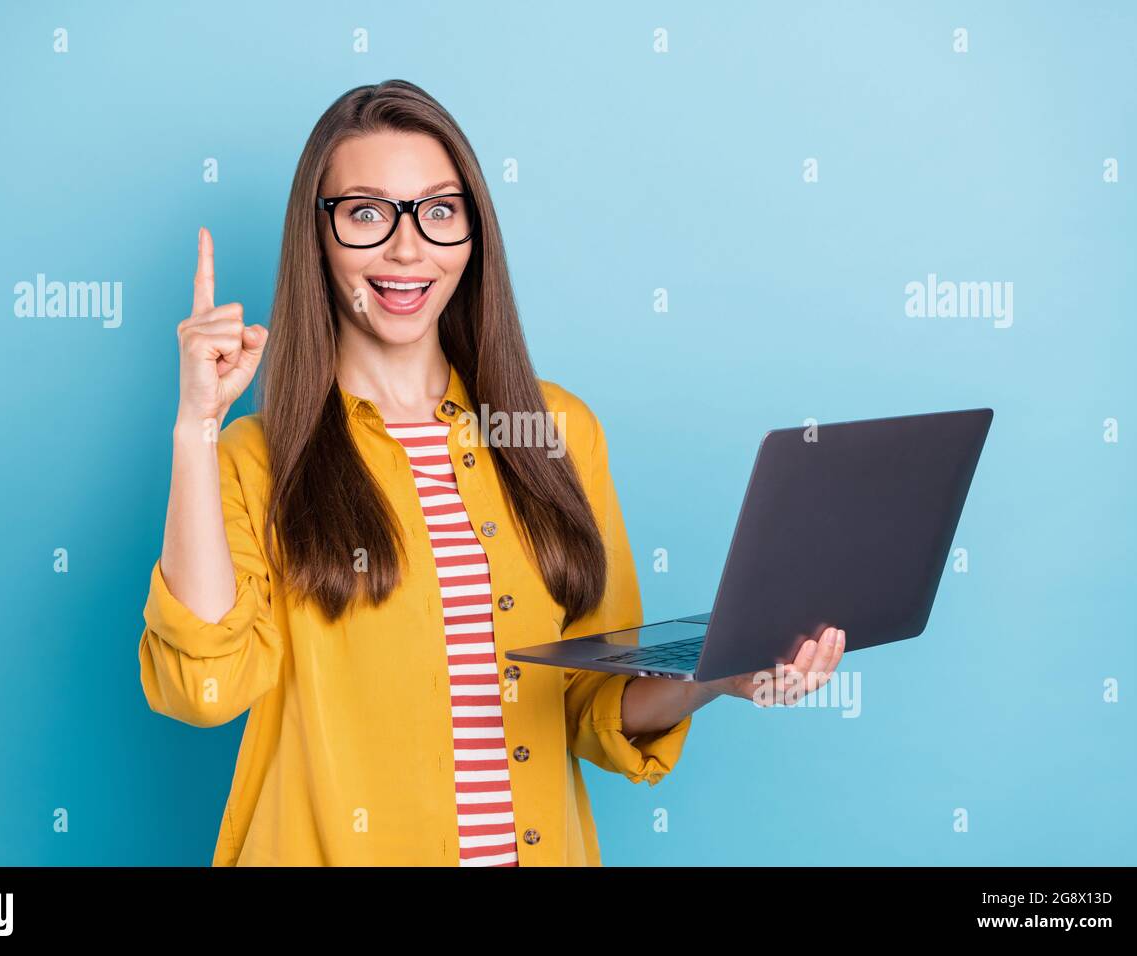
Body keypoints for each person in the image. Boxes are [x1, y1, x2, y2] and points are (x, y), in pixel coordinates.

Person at [138, 79, 845, 866]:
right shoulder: (257, 459)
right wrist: (196, 425)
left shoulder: (558, 432)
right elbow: (203, 690)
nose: (408, 249)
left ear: (473, 235)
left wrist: (719, 675)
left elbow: (588, 701)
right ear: (317, 237)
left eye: (440, 211)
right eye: (367, 213)